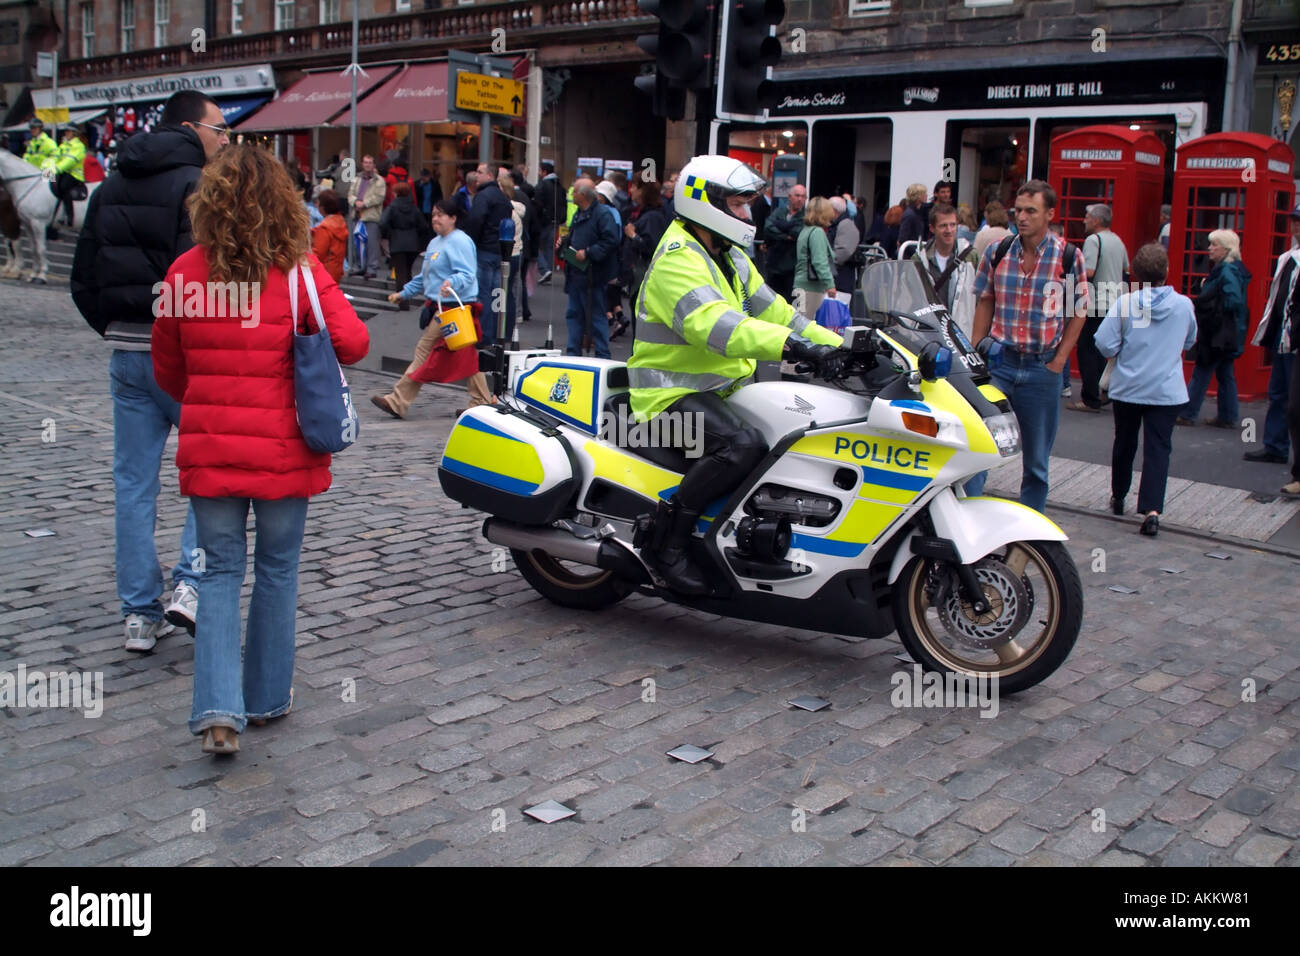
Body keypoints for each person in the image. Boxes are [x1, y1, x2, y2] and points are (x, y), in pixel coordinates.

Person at [151, 145, 369, 756]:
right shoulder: (300, 269)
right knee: (277, 570)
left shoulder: (184, 274)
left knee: (218, 572)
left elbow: (168, 372)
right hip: (286, 451)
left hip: (212, 448)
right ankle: (266, 699)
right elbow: (354, 341)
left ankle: (219, 714)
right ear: (282, 203)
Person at [627, 155, 844, 594]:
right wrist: (792, 347)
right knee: (741, 445)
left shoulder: (728, 256)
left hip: (718, 392)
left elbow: (782, 314)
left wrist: (843, 346)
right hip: (667, 399)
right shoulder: (677, 259)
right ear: (706, 203)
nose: (748, 214)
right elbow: (717, 327)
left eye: (748, 204)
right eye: (739, 204)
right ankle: (667, 542)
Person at [69, 89, 229, 652]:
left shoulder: (111, 183)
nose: (224, 139)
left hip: (128, 356)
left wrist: (116, 327)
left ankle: (138, 613)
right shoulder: (198, 186)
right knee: (208, 474)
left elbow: (82, 276)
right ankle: (189, 583)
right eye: (220, 130)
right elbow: (207, 277)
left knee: (132, 485)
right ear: (191, 128)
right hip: (186, 357)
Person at [963, 180, 1090, 513]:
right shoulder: (998, 251)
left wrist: (1060, 360)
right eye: (1017, 210)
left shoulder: (1068, 256)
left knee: (1036, 461)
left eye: (1030, 211)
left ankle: (1030, 535)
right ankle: (969, 519)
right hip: (1000, 364)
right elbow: (985, 300)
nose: (1022, 217)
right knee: (981, 448)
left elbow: (1079, 311)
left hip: (1041, 368)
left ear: (1049, 214)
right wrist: (977, 350)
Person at [1095, 243, 1197, 537]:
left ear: (1136, 274)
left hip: (1129, 387)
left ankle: (1118, 495)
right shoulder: (1183, 305)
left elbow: (1104, 343)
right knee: (1158, 449)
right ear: (1166, 271)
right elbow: (1190, 341)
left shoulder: (1126, 304)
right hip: (1167, 390)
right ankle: (1151, 511)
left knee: (1124, 443)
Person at [371, 199, 490, 419]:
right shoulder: (435, 242)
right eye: (434, 214)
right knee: (467, 355)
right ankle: (482, 400)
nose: (435, 218)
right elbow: (425, 276)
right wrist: (404, 293)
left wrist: (451, 282)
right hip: (442, 307)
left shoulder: (460, 241)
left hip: (454, 308)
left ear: (453, 218)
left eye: (441, 215)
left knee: (424, 352)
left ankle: (398, 401)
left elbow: (467, 274)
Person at [1244, 204, 1300, 464]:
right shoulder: (1287, 256)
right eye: (1293, 221)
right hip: (1280, 335)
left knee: (1294, 401)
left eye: (1298, 221)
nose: (1295, 225)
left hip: (1296, 338)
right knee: (1277, 394)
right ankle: (1275, 446)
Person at [1179, 230, 1250, 428]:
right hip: (1230, 331)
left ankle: (1187, 413)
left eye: (1214, 245)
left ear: (1226, 249)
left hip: (1218, 332)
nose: (1209, 248)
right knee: (1225, 373)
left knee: (1202, 370)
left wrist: (1209, 294)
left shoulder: (1226, 271)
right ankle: (1228, 416)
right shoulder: (1232, 268)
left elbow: (1233, 300)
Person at [1067, 203, 1130, 412]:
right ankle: (1107, 389)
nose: (1084, 220)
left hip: (1096, 302)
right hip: (1115, 301)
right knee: (1100, 349)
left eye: (1087, 217)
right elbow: (1126, 270)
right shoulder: (1117, 240)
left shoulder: (1094, 241)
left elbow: (1089, 272)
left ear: (1096, 220)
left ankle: (1090, 398)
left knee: (1086, 349)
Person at [563, 177, 620, 358]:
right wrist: (565, 244)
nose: (571, 194)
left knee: (596, 317)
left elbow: (611, 241)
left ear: (582, 195)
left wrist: (588, 253)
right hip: (577, 274)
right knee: (575, 315)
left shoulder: (602, 215)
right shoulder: (580, 213)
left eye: (574, 191)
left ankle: (602, 355)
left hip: (593, 276)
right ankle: (574, 353)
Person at [912, 202, 978, 339]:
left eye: (953, 225)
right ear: (932, 228)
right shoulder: (918, 260)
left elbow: (979, 299)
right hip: (928, 334)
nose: (949, 230)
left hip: (960, 334)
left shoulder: (970, 257)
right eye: (943, 225)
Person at [464, 161, 512, 345]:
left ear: (490, 176)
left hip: (484, 250)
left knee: (483, 295)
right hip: (498, 251)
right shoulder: (502, 197)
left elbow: (476, 220)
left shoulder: (483, 196)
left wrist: (471, 243)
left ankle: (482, 336)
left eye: (479, 172)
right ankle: (494, 334)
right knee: (495, 296)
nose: (476, 175)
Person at [617, 177, 669, 339]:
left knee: (641, 329)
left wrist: (633, 236)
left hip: (644, 280)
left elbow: (653, 248)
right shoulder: (642, 214)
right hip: (639, 279)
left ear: (643, 191)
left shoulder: (652, 217)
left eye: (634, 186)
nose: (631, 190)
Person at [379, 181, 431, 309]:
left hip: (397, 242)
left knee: (400, 273)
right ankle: (407, 296)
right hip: (412, 243)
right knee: (408, 271)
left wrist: (388, 233)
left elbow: (383, 223)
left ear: (396, 193)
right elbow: (424, 226)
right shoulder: (414, 208)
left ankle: (403, 302)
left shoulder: (392, 207)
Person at [794, 196, 836, 320]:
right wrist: (830, 284)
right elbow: (819, 261)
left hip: (801, 285)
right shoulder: (817, 233)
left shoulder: (805, 231)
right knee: (806, 327)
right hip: (811, 288)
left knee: (800, 324)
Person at [762, 183, 806, 300]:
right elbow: (768, 227)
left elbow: (798, 232)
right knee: (773, 301)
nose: (800, 199)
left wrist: (780, 226)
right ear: (789, 197)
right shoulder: (779, 211)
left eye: (803, 196)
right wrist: (785, 236)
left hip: (794, 269)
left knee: (793, 305)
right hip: (775, 266)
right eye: (797, 195)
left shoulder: (806, 216)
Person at [346, 155, 385, 279]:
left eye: (370, 162)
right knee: (357, 242)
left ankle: (371, 268)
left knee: (372, 243)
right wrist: (355, 202)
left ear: (374, 165)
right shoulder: (357, 179)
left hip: (371, 216)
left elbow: (379, 197)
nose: (367, 165)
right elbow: (350, 194)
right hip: (357, 215)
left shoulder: (379, 180)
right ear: (362, 164)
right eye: (365, 162)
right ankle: (360, 267)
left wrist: (364, 203)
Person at [500, 172, 527, 341]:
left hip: (508, 253)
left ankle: (503, 331)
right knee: (508, 293)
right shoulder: (517, 209)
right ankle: (507, 330)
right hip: (517, 252)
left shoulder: (506, 210)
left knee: (503, 292)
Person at [47, 126, 88, 228]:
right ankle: (52, 216)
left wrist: (55, 170)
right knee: (48, 185)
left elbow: (69, 161)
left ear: (74, 133)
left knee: (63, 186)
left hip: (74, 174)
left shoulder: (78, 146)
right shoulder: (63, 145)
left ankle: (69, 217)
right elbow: (54, 157)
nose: (66, 133)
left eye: (69, 131)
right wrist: (46, 171)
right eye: (66, 131)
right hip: (62, 172)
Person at [311, 188, 348, 284]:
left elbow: (317, 255)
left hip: (324, 273)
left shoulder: (325, 229)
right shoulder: (341, 223)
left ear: (323, 207)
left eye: (318, 203)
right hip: (336, 272)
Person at [829, 196, 861, 303]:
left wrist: (826, 263)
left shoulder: (845, 224)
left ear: (834, 210)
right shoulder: (838, 223)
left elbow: (843, 252)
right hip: (838, 276)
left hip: (841, 279)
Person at [535, 159, 561, 281]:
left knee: (536, 245)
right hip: (555, 220)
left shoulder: (542, 185)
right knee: (550, 246)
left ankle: (545, 269)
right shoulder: (559, 186)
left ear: (544, 172)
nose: (539, 173)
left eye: (540, 171)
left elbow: (538, 204)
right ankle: (548, 270)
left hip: (544, 222)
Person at [897, 183, 928, 249]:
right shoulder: (910, 215)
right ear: (918, 196)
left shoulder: (918, 213)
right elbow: (903, 238)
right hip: (910, 255)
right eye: (924, 193)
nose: (926, 195)